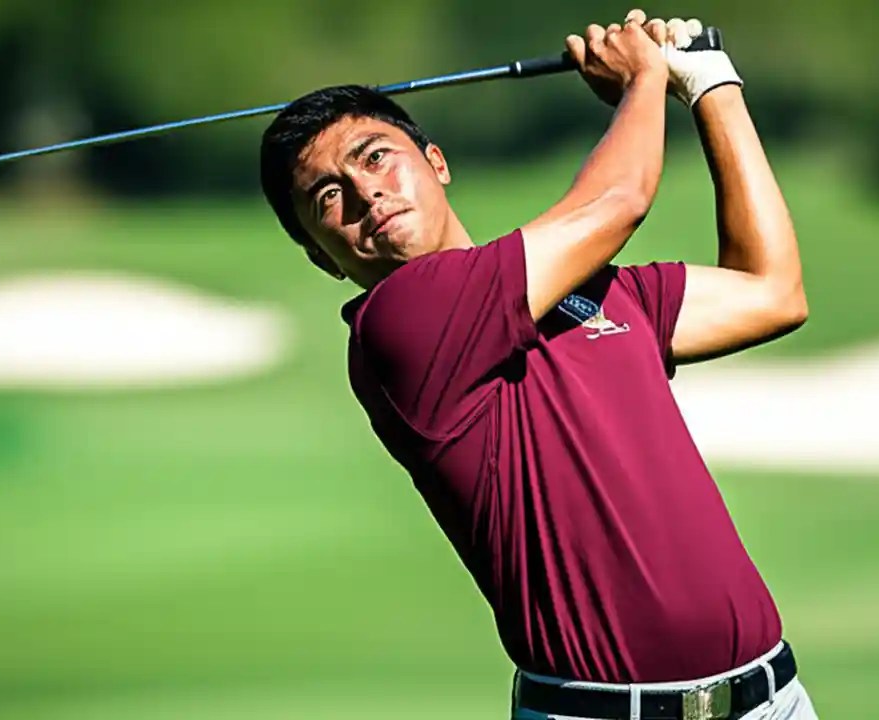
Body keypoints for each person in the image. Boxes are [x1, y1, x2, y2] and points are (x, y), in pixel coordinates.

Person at [259, 9, 815, 720]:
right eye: (328, 197)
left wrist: (713, 84)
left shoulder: (594, 294)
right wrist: (646, 76)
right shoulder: (399, 324)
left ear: (436, 163)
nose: (366, 193)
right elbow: (618, 200)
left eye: (375, 158)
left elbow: (773, 293)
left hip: (773, 698)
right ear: (319, 255)